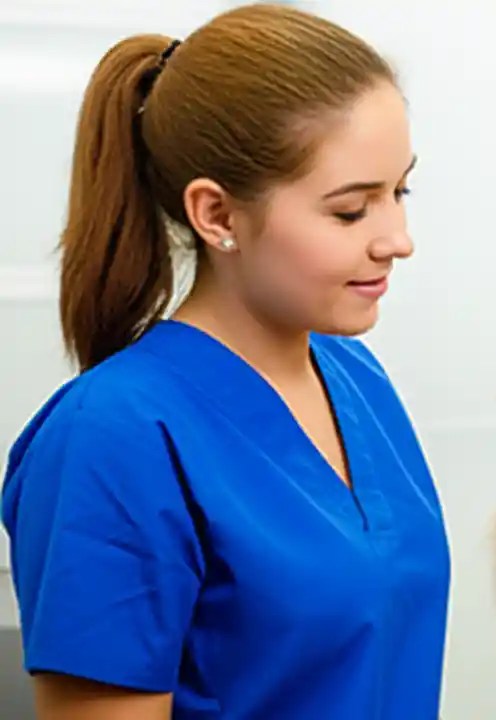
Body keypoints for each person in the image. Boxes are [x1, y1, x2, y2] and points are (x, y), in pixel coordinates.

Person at [1, 4, 450, 718]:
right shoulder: (113, 439)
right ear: (216, 216)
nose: (398, 238)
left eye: (400, 192)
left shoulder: (355, 379)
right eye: (350, 211)